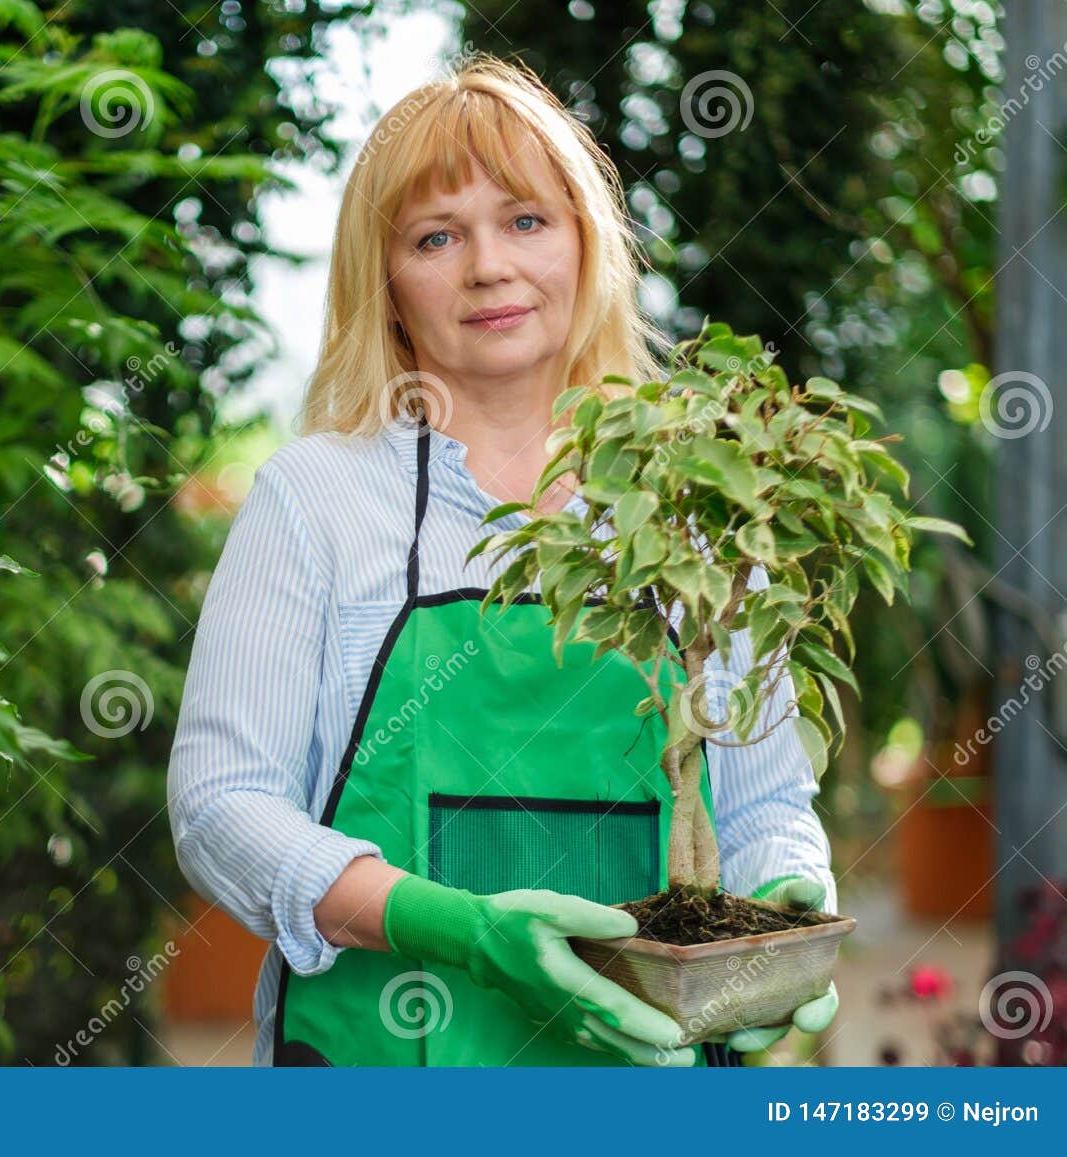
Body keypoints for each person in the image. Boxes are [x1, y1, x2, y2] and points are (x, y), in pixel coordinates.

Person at [166, 53, 839, 1067]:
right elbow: (222, 806)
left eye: (525, 219)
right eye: (436, 236)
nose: (488, 266)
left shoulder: (699, 508)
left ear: (585, 243)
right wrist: (461, 930)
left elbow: (762, 804)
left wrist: (787, 905)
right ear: (385, 283)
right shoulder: (315, 498)